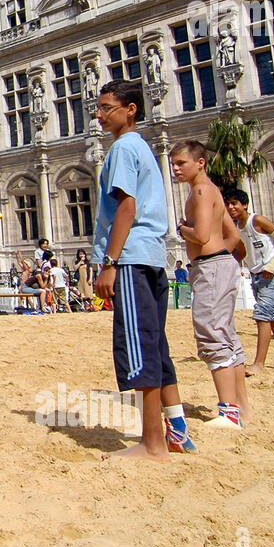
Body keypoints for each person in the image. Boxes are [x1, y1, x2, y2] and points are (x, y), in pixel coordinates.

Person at [92, 80, 195, 459]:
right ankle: (177, 430)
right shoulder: (144, 148)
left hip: (131, 257)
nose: (99, 115)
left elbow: (126, 207)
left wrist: (110, 262)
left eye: (106, 108)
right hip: (152, 256)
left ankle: (152, 443)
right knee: (155, 343)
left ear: (130, 109)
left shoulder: (121, 147)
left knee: (137, 348)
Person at [171, 141, 249, 429]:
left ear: (200, 162)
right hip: (221, 264)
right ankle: (241, 407)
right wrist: (223, 258)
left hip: (211, 267)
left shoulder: (201, 190)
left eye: (182, 163)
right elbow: (232, 236)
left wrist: (182, 229)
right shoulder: (213, 190)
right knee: (227, 335)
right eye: (174, 164)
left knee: (211, 334)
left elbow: (202, 235)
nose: (176, 169)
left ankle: (228, 411)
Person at [223, 187, 274, 374]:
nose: (231, 207)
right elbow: (242, 252)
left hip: (271, 272)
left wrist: (272, 265)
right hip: (257, 274)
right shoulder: (238, 226)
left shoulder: (257, 220)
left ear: (244, 205)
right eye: (229, 204)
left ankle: (259, 364)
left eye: (235, 203)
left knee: (262, 316)